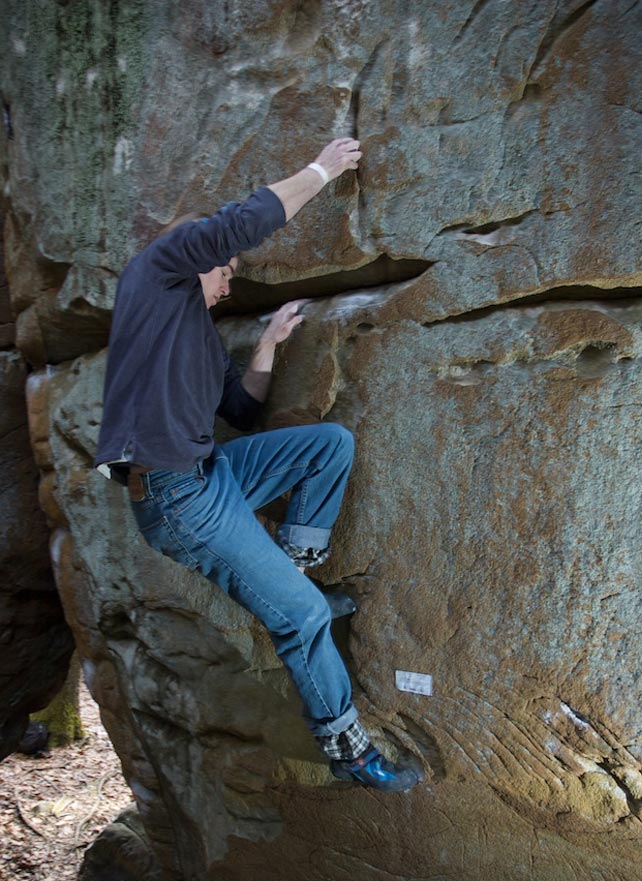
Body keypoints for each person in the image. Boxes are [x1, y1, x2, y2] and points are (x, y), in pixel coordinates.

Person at [95, 138, 422, 793]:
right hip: (174, 495)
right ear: (201, 257)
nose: (229, 282)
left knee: (328, 445)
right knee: (300, 619)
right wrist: (325, 169)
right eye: (227, 270)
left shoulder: (194, 330)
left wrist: (269, 342)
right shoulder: (155, 273)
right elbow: (241, 222)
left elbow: (241, 407)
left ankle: (293, 577)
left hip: (209, 474)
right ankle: (352, 752)